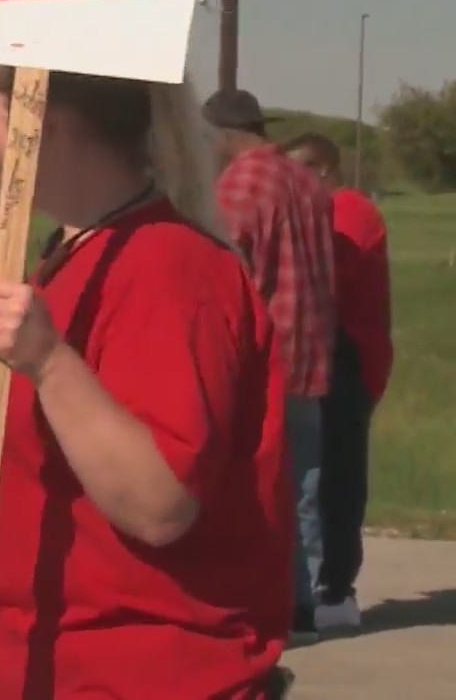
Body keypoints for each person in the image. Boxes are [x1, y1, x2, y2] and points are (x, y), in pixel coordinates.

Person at [0, 66, 290, 700]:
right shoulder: (73, 253)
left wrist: (51, 364)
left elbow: (158, 501)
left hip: (135, 672)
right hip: (40, 666)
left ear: (39, 124)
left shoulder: (168, 267)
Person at [203, 88, 336, 642]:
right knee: (302, 485)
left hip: (263, 360)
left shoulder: (239, 183)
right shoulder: (308, 182)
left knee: (254, 490)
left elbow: (220, 271)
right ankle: (303, 600)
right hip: (310, 356)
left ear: (220, 134)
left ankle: (264, 604)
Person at [283, 132, 391, 632]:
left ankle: (335, 586)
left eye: (297, 173)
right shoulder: (337, 210)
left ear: (321, 170)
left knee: (339, 475)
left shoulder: (347, 211)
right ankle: (321, 580)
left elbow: (321, 274)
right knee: (320, 473)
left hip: (350, 353)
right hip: (335, 348)